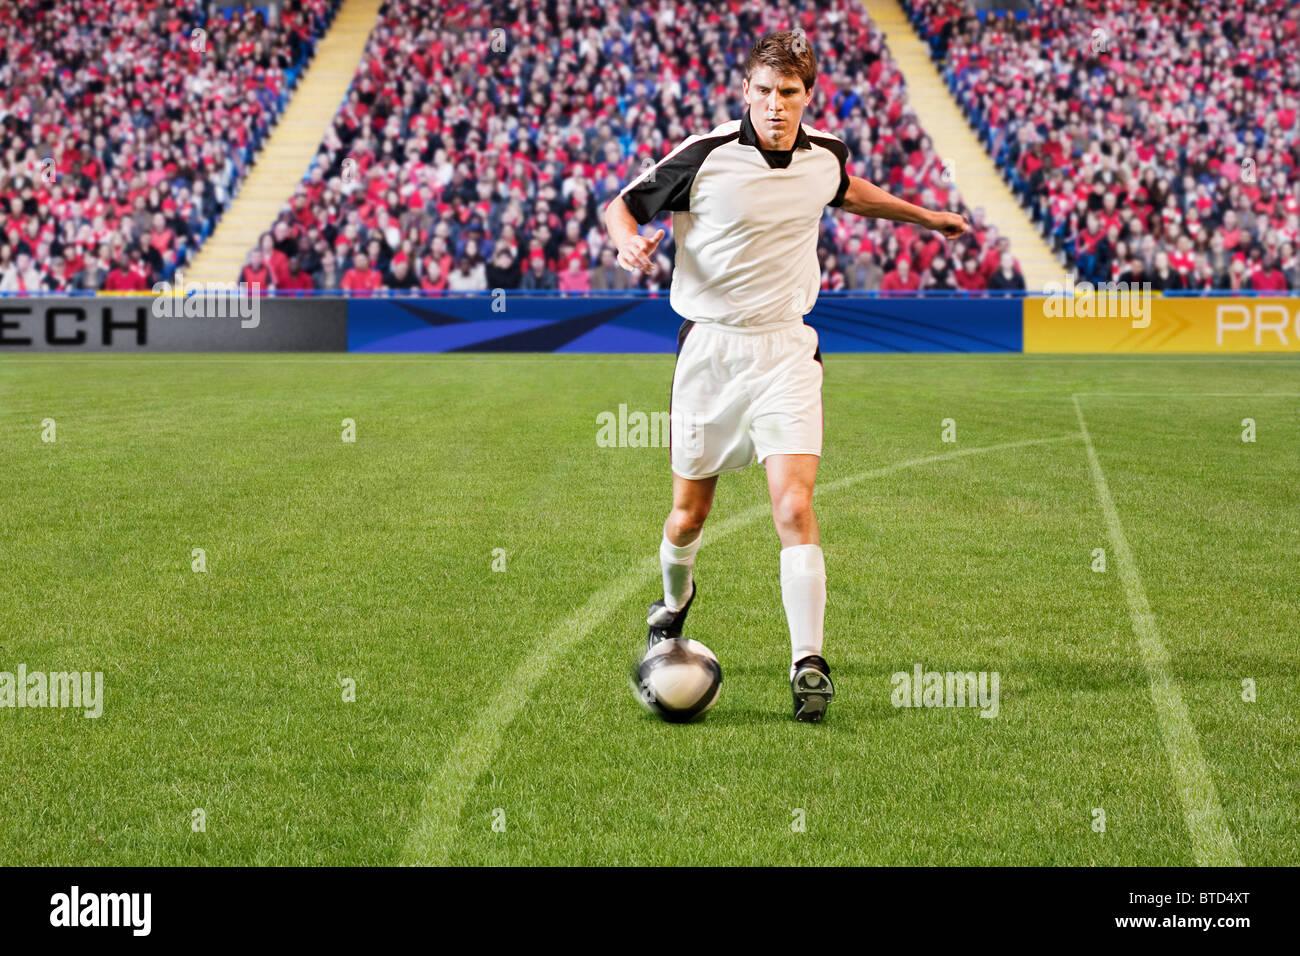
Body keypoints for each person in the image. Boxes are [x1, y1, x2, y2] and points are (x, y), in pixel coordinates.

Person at [604, 31, 969, 722]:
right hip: (709, 352)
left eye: (790, 93)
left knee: (794, 509)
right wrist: (627, 238)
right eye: (765, 92)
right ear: (746, 92)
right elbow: (623, 204)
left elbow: (847, 190)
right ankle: (674, 601)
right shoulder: (704, 156)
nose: (776, 105)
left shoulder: (823, 154)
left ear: (808, 96)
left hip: (786, 352)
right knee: (690, 514)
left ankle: (809, 665)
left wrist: (923, 217)